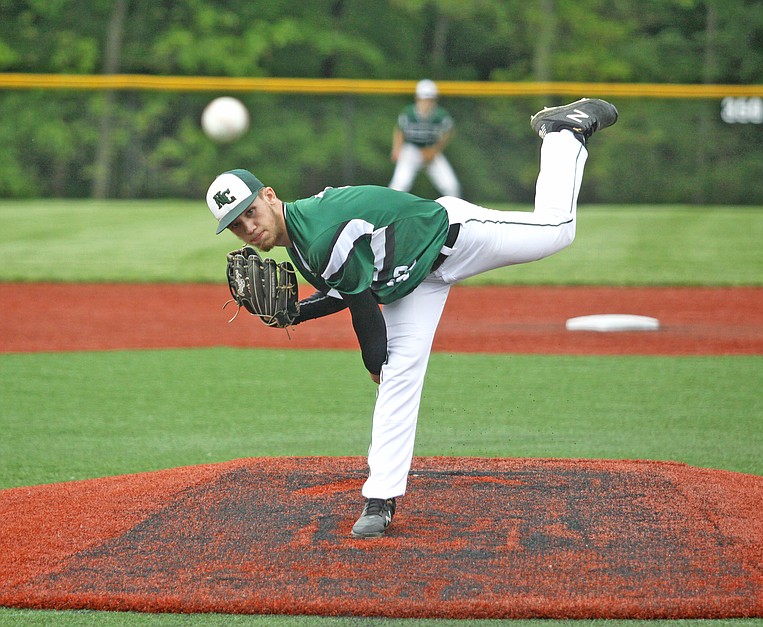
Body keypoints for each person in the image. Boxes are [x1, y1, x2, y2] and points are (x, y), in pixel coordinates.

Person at [205, 98, 618, 538]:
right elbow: (341, 290)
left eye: (250, 211)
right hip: (413, 281)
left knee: (557, 231)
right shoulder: (299, 239)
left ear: (269, 195)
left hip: (454, 237)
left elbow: (363, 310)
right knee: (398, 373)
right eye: (236, 225)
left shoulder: (321, 234)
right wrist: (295, 314)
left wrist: (371, 362)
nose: (248, 227)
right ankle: (379, 499)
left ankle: (563, 132)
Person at [388, 79, 461, 198]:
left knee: (451, 186)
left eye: (430, 99)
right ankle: (389, 210)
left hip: (430, 150)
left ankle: (457, 213)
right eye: (424, 99)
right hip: (411, 150)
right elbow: (399, 130)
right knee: (399, 185)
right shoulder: (409, 113)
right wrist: (397, 149)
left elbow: (449, 131)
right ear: (417, 98)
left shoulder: (440, 115)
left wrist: (435, 150)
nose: (427, 102)